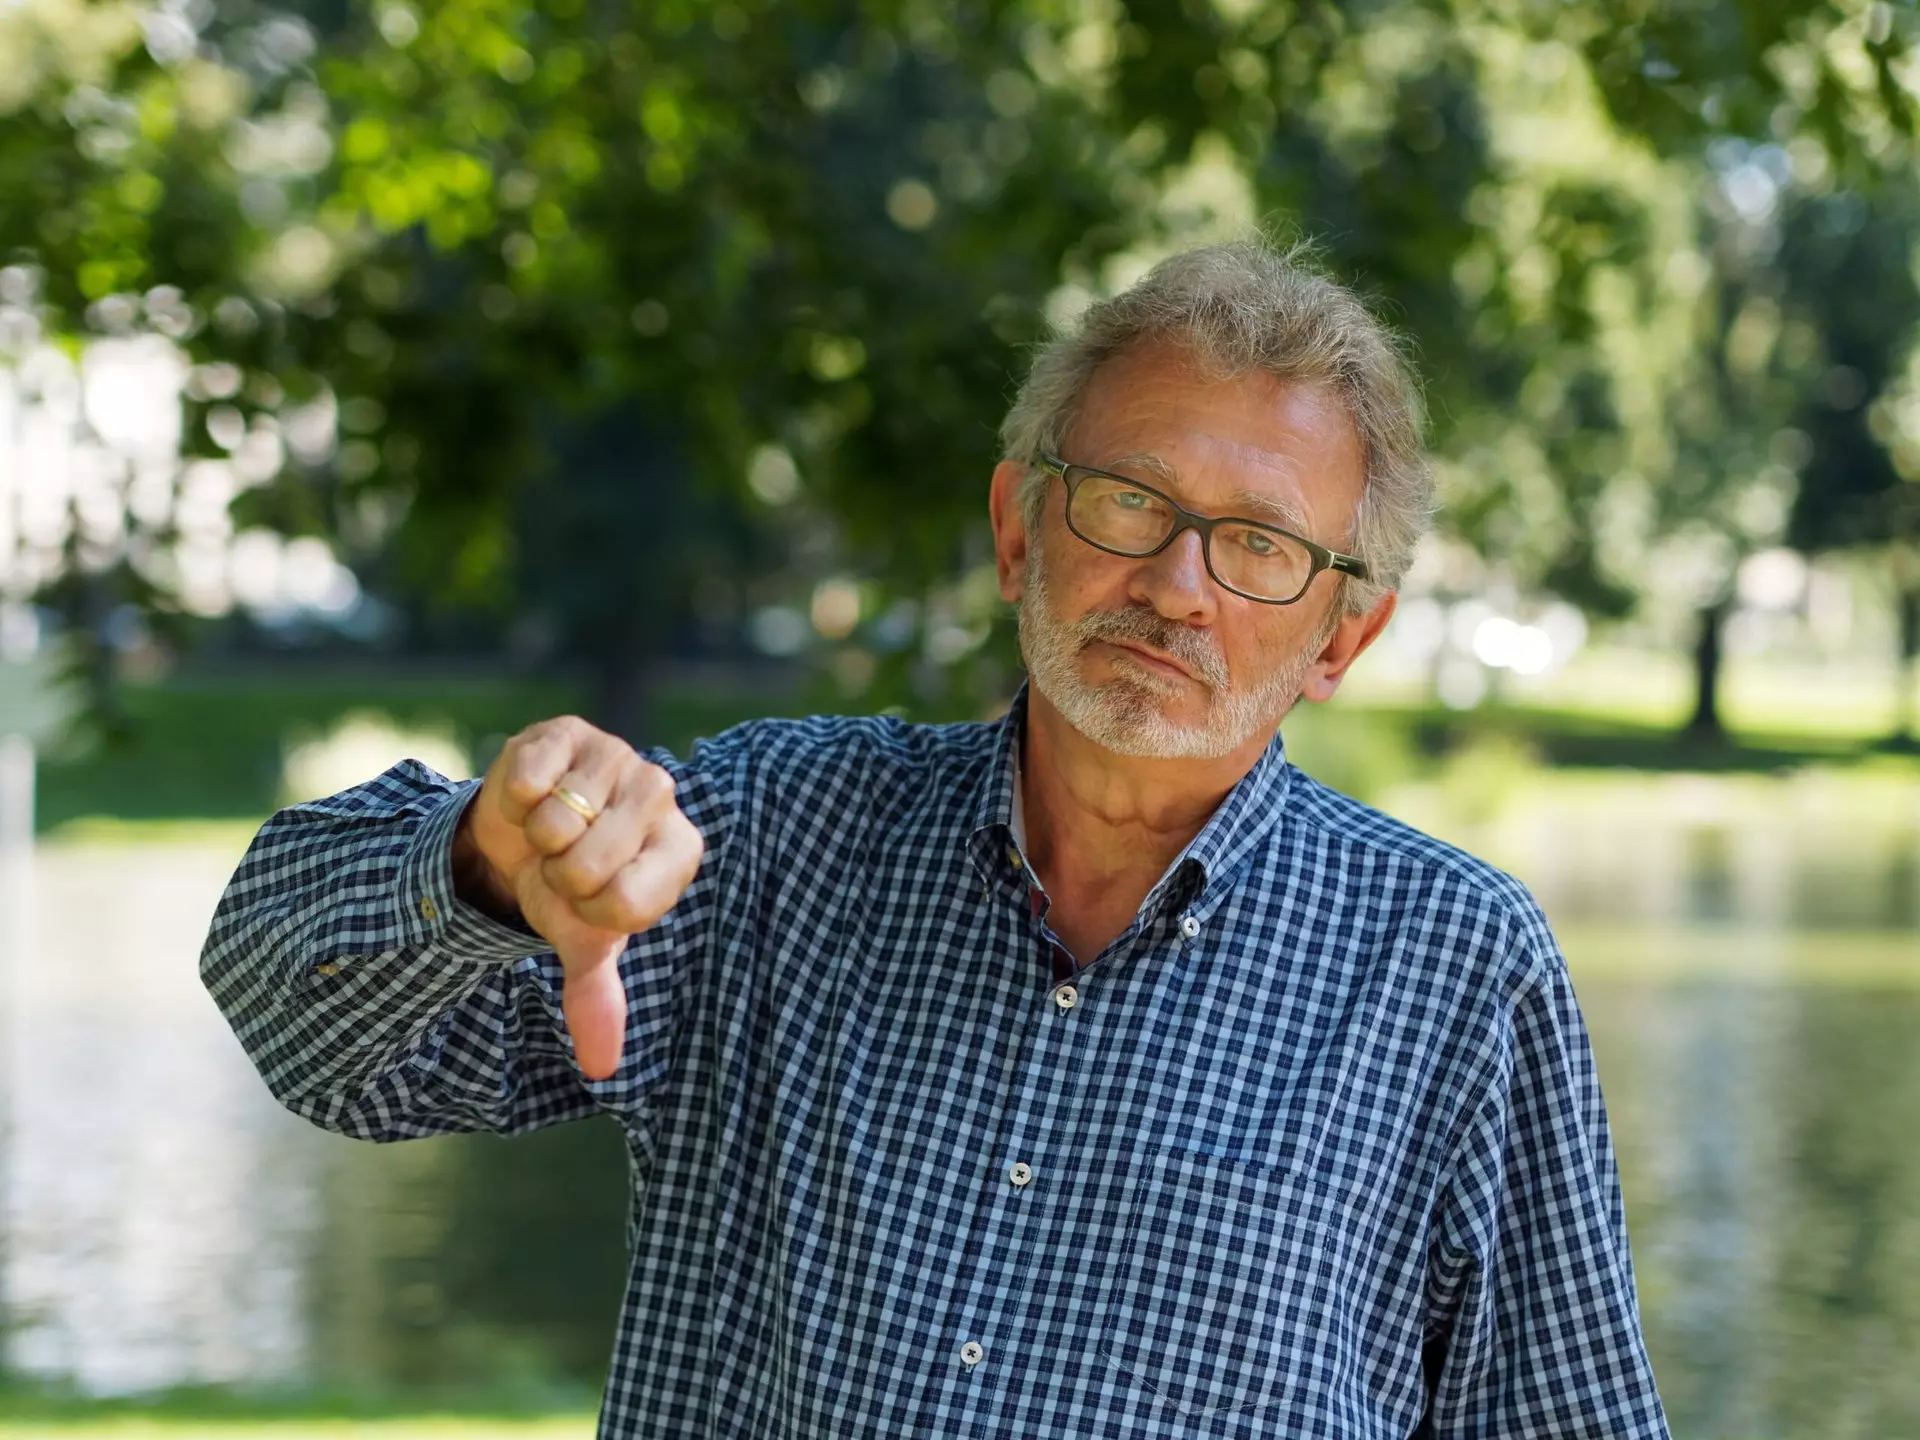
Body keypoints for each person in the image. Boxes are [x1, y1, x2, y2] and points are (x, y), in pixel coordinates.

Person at [203, 239, 1670, 1438]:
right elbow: (317, 1042)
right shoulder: (772, 836)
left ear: (1344, 633)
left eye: (1262, 544)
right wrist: (485, 865)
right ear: (1021, 530)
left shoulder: (1459, 968)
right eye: (1128, 501)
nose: (1177, 585)